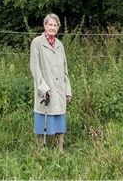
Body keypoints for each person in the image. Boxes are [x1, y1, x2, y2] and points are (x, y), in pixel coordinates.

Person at [29, 12, 72, 150]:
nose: (52, 27)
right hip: (46, 89)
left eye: (55, 25)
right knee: (43, 119)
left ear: (58, 27)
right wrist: (43, 88)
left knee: (60, 117)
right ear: (45, 25)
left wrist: (68, 91)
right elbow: (35, 68)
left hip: (60, 88)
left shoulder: (60, 45)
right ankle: (41, 150)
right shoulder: (37, 43)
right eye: (50, 24)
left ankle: (60, 149)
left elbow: (65, 69)